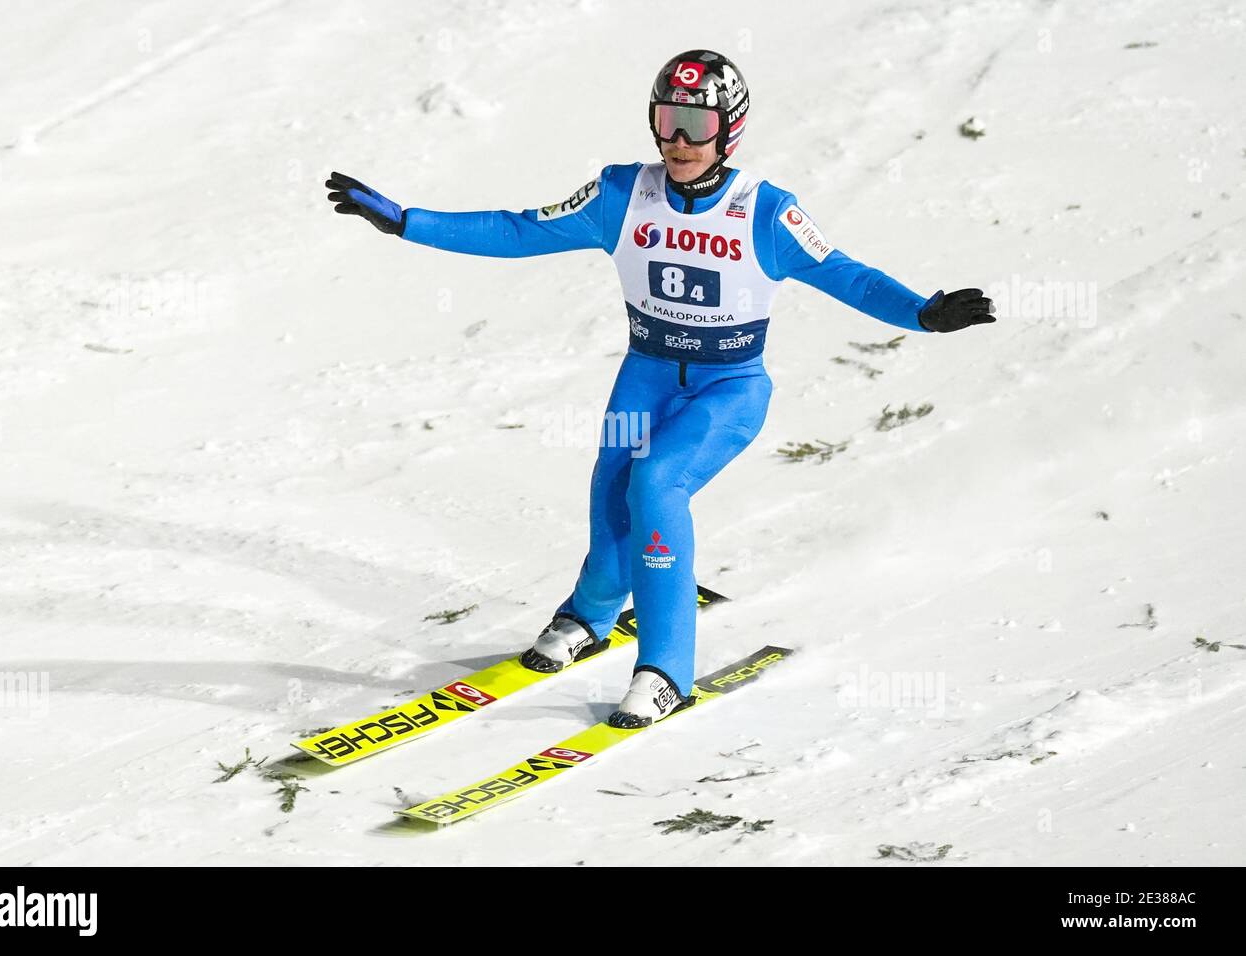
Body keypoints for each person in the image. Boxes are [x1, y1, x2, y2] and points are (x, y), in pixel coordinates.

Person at [325, 50, 995, 729]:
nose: (677, 141)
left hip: (728, 389)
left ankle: (665, 669)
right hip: (644, 375)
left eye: (695, 126)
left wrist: (921, 312)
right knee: (612, 491)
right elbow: (519, 230)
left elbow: (848, 275)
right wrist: (408, 221)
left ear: (728, 130)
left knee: (655, 485)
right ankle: (589, 614)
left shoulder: (767, 212)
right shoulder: (623, 194)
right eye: (667, 121)